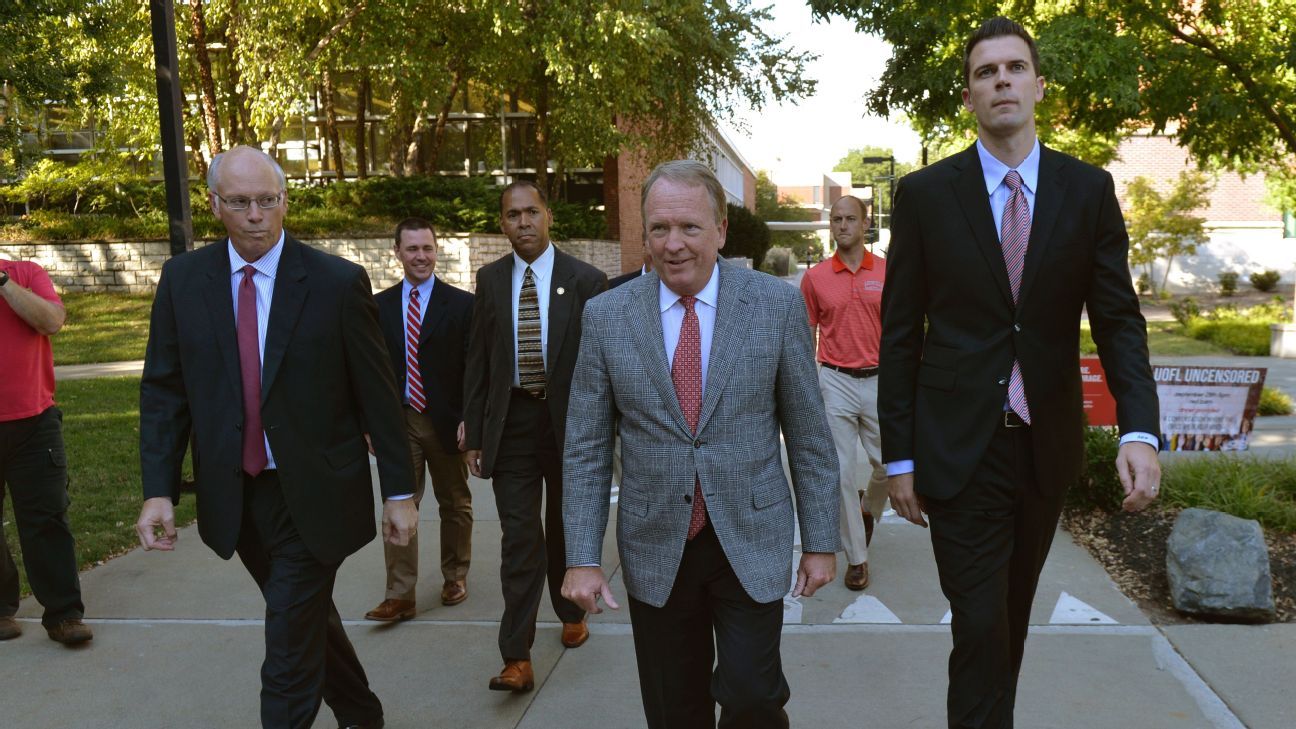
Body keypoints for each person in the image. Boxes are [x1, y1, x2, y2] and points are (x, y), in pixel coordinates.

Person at [879, 18, 1162, 729]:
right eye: (984, 72)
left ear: (1038, 86)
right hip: (956, 447)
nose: (1000, 80)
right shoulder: (925, 196)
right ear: (969, 97)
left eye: (1013, 68)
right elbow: (898, 331)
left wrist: (1140, 430)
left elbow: (1120, 320)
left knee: (1008, 619)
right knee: (977, 623)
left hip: (1043, 446)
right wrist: (900, 455)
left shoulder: (1088, 190)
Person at [135, 145, 417, 729]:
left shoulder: (337, 282)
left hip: (315, 490)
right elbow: (165, 391)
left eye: (268, 200)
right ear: (215, 206)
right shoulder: (183, 280)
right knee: (304, 617)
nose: (256, 214)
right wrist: (159, 490)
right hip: (236, 496)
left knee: (287, 643)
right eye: (240, 202)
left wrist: (398, 490)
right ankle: (363, 715)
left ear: (285, 201)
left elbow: (378, 394)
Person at [562, 160, 839, 729]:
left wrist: (820, 540)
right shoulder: (606, 316)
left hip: (750, 535)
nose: (674, 244)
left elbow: (809, 433)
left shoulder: (774, 305)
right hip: (655, 542)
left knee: (753, 696)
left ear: (720, 231)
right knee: (673, 710)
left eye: (690, 227)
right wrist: (583, 558)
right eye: (660, 228)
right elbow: (586, 447)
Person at [462, 180, 607, 692]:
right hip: (513, 425)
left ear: (548, 217)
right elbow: (479, 360)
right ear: (501, 223)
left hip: (570, 426)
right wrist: (474, 430)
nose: (522, 223)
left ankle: (571, 611)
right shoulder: (491, 279)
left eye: (531, 213)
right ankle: (516, 655)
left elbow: (599, 367)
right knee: (519, 540)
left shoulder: (587, 280)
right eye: (511, 215)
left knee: (565, 529)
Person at [364, 218, 474, 622]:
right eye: (412, 249)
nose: (421, 256)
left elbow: (472, 368)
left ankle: (455, 575)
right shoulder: (377, 307)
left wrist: (470, 419)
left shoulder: (462, 304)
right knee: (399, 502)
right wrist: (368, 423)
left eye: (427, 248)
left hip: (446, 422)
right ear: (397, 252)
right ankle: (400, 594)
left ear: (436, 250)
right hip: (398, 422)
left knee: (455, 503)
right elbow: (367, 371)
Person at [0, 257, 92, 646]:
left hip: (34, 421)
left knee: (47, 519)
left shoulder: (24, 273)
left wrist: (2, 281)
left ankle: (64, 614)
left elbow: (51, 321)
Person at [800, 194, 888, 591]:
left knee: (888, 466)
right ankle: (858, 558)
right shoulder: (815, 277)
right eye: (835, 219)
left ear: (864, 224)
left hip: (880, 380)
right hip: (834, 379)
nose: (841, 226)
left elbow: (903, 331)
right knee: (839, 473)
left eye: (849, 219)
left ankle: (868, 509)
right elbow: (806, 333)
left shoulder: (889, 272)